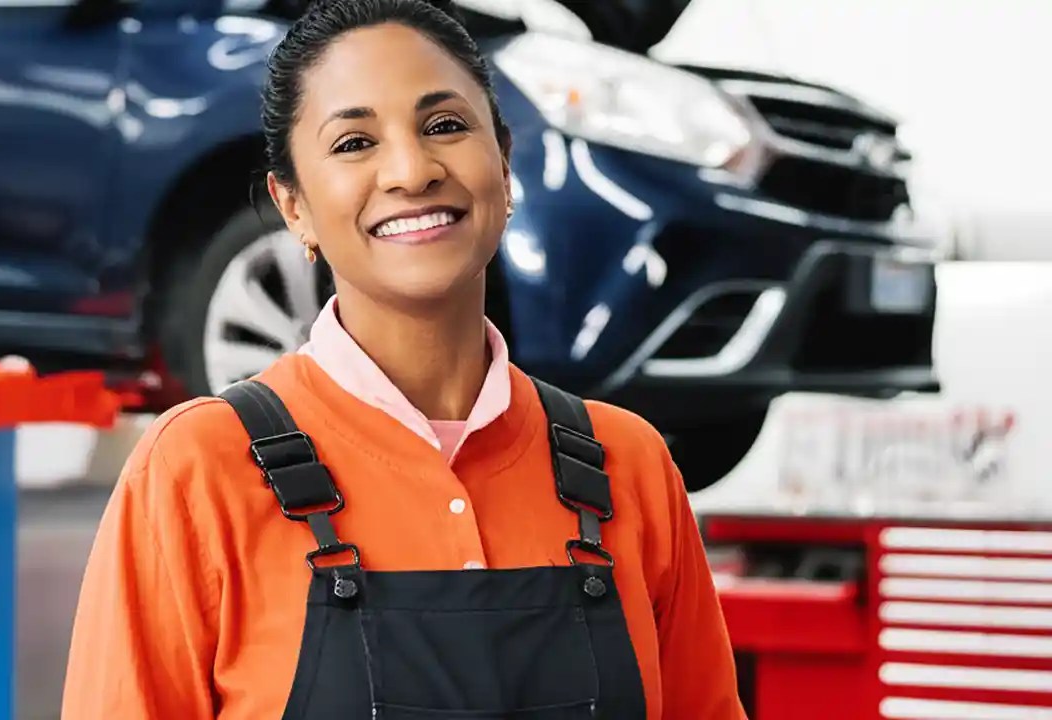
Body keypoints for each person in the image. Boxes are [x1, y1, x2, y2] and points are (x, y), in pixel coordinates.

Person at [61, 0, 746, 717]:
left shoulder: (627, 466)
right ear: (293, 206)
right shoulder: (198, 470)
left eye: (445, 126)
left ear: (504, 165)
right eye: (354, 142)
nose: (412, 170)